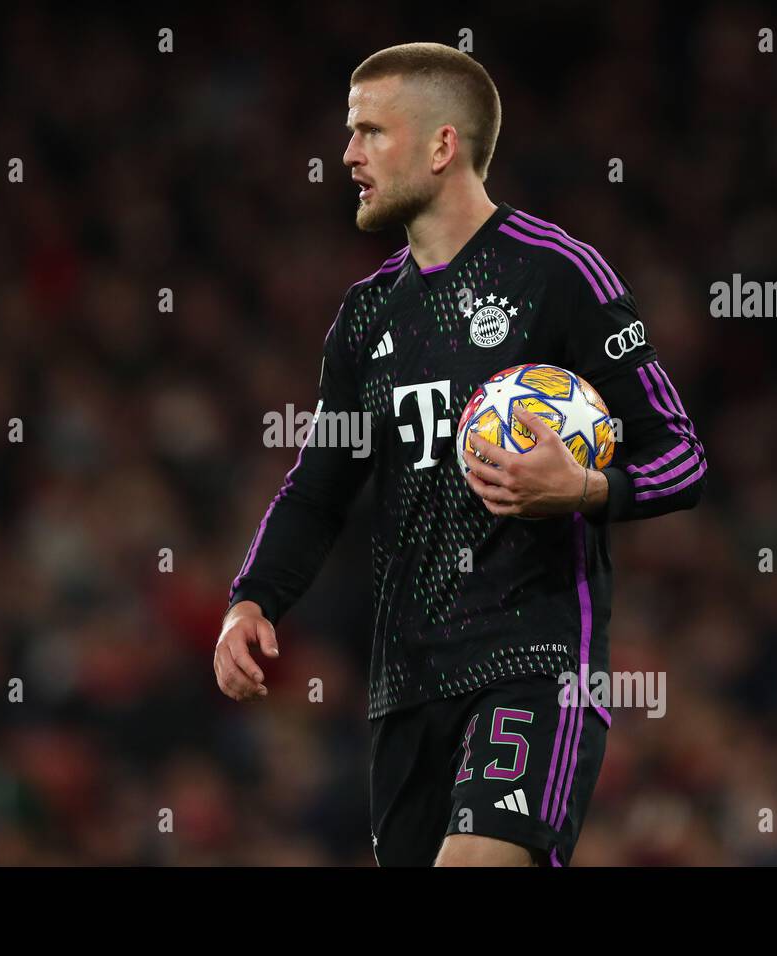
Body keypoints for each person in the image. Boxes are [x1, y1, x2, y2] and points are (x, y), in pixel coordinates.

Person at [216, 42, 706, 866]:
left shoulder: (559, 274)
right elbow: (319, 488)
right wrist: (252, 600)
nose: (347, 155)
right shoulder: (366, 316)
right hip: (404, 683)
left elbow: (681, 455)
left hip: (535, 659)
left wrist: (584, 487)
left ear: (443, 146)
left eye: (369, 132)